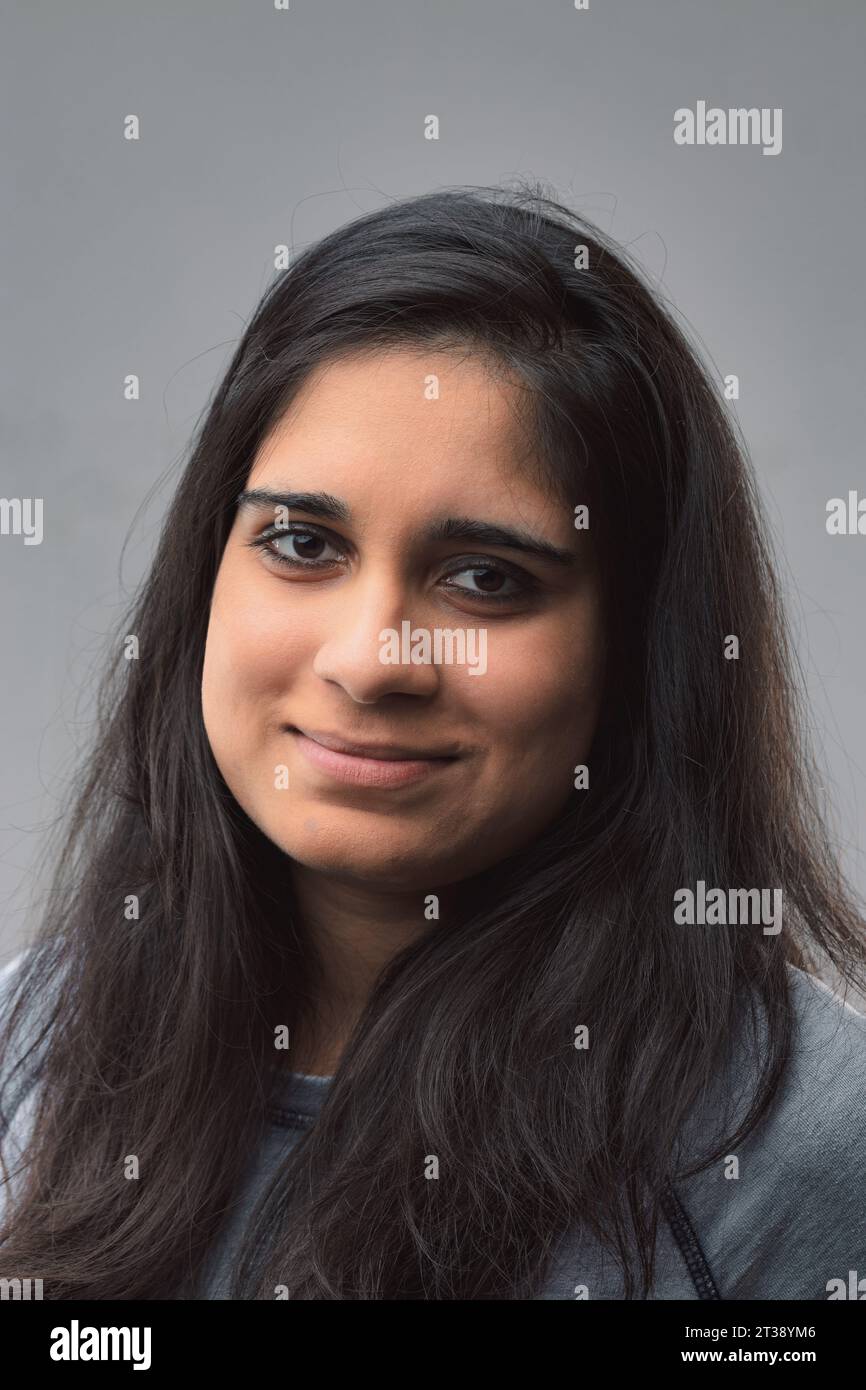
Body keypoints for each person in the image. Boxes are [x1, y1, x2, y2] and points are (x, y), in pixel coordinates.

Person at [2, 183, 865, 1301]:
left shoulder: (791, 1149)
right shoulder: (34, 1046)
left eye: (484, 577)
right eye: (303, 543)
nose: (369, 660)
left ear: (638, 643)